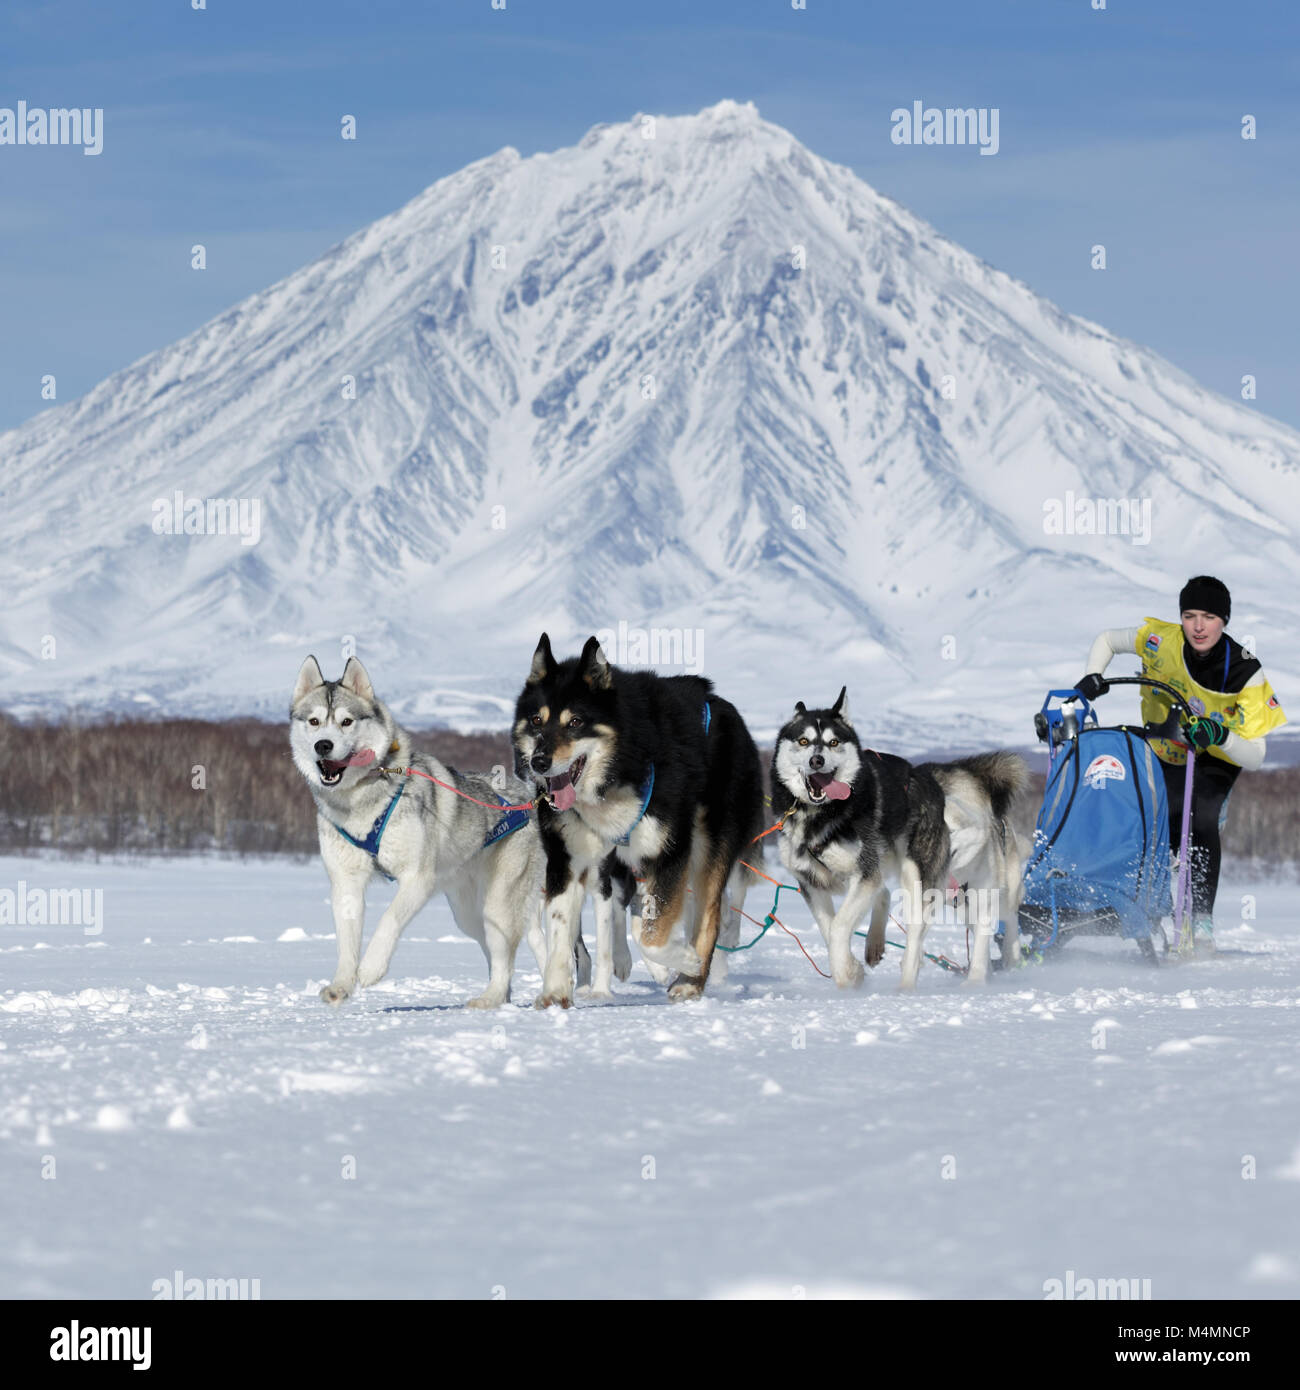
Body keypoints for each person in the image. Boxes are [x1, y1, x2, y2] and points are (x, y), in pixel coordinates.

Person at [1074, 575, 1287, 954]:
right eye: (1190, 615)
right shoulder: (1160, 640)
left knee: (1200, 818)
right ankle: (1134, 907)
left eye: (1209, 616)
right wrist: (1094, 674)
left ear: (1224, 620)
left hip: (1217, 755)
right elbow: (1107, 640)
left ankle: (1199, 921)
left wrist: (1219, 736)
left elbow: (1256, 756)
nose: (1199, 626)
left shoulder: (1244, 671)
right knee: (1147, 820)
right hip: (1164, 745)